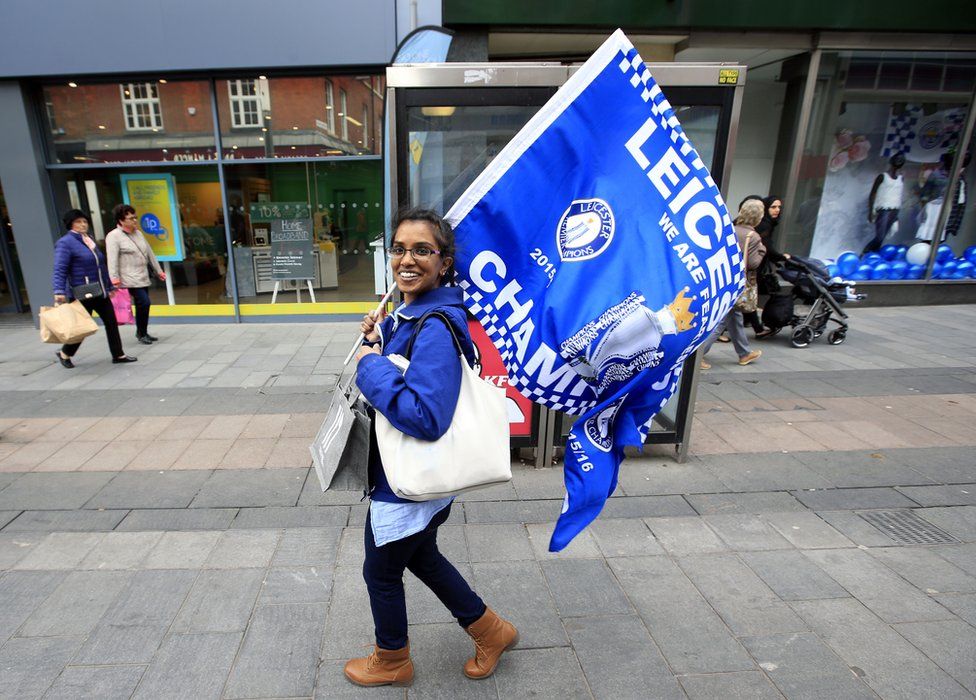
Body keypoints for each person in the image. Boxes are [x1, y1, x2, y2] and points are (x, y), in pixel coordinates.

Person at [345, 207, 518, 688]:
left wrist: (369, 366)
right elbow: (410, 363)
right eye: (399, 248)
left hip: (407, 483)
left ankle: (392, 660)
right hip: (420, 479)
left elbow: (425, 416)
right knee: (422, 557)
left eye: (422, 250)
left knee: (380, 573)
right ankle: (491, 630)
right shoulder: (416, 313)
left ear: (444, 263)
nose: (407, 259)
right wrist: (382, 338)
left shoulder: (437, 324)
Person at [51, 209, 137, 368]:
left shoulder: (88, 240)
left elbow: (101, 266)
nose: (83, 224)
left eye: (84, 221)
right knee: (81, 328)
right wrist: (59, 291)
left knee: (111, 322)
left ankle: (118, 354)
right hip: (82, 293)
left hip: (100, 291)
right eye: (78, 222)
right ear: (71, 224)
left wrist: (110, 286)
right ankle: (65, 353)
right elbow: (60, 269)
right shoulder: (65, 243)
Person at [700, 199, 765, 368]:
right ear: (758, 217)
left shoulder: (731, 230)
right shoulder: (754, 237)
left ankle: (744, 353)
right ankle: (698, 354)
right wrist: (762, 252)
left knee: (732, 317)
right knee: (722, 320)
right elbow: (752, 263)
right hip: (739, 283)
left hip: (725, 279)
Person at [106, 204, 166, 344]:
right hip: (128, 278)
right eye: (131, 218)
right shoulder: (113, 236)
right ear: (121, 220)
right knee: (144, 302)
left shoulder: (138, 233)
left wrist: (159, 271)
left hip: (142, 275)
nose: (134, 220)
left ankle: (142, 332)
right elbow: (112, 260)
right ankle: (141, 333)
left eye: (135, 217)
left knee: (143, 305)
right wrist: (114, 279)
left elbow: (149, 253)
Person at [753, 195, 791, 338]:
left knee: (747, 300)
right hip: (753, 266)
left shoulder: (768, 223)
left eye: (779, 207)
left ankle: (753, 326)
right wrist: (781, 257)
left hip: (757, 265)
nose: (777, 210)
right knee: (747, 300)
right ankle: (757, 328)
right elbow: (767, 247)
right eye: (773, 207)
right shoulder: (764, 225)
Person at [864, 154, 906, 254]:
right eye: (897, 160)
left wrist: (896, 216)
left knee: (881, 238)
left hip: (894, 210)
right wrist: (871, 211)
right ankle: (863, 254)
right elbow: (872, 194)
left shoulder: (901, 179)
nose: (898, 162)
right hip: (883, 210)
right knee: (880, 236)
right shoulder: (882, 177)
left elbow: (898, 196)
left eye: (900, 161)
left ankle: (873, 256)